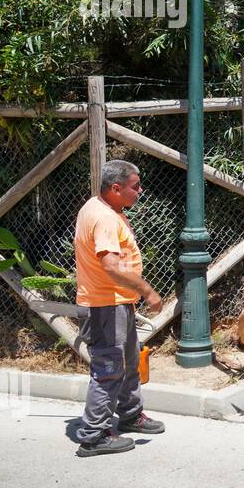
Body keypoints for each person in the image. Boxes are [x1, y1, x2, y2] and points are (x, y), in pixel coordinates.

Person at [73, 160, 166, 456]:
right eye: (135, 186)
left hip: (117, 303)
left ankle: (130, 414)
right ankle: (93, 436)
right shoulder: (104, 218)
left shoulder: (101, 207)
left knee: (127, 362)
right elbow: (111, 266)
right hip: (105, 306)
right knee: (109, 370)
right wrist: (147, 290)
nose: (140, 190)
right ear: (116, 189)